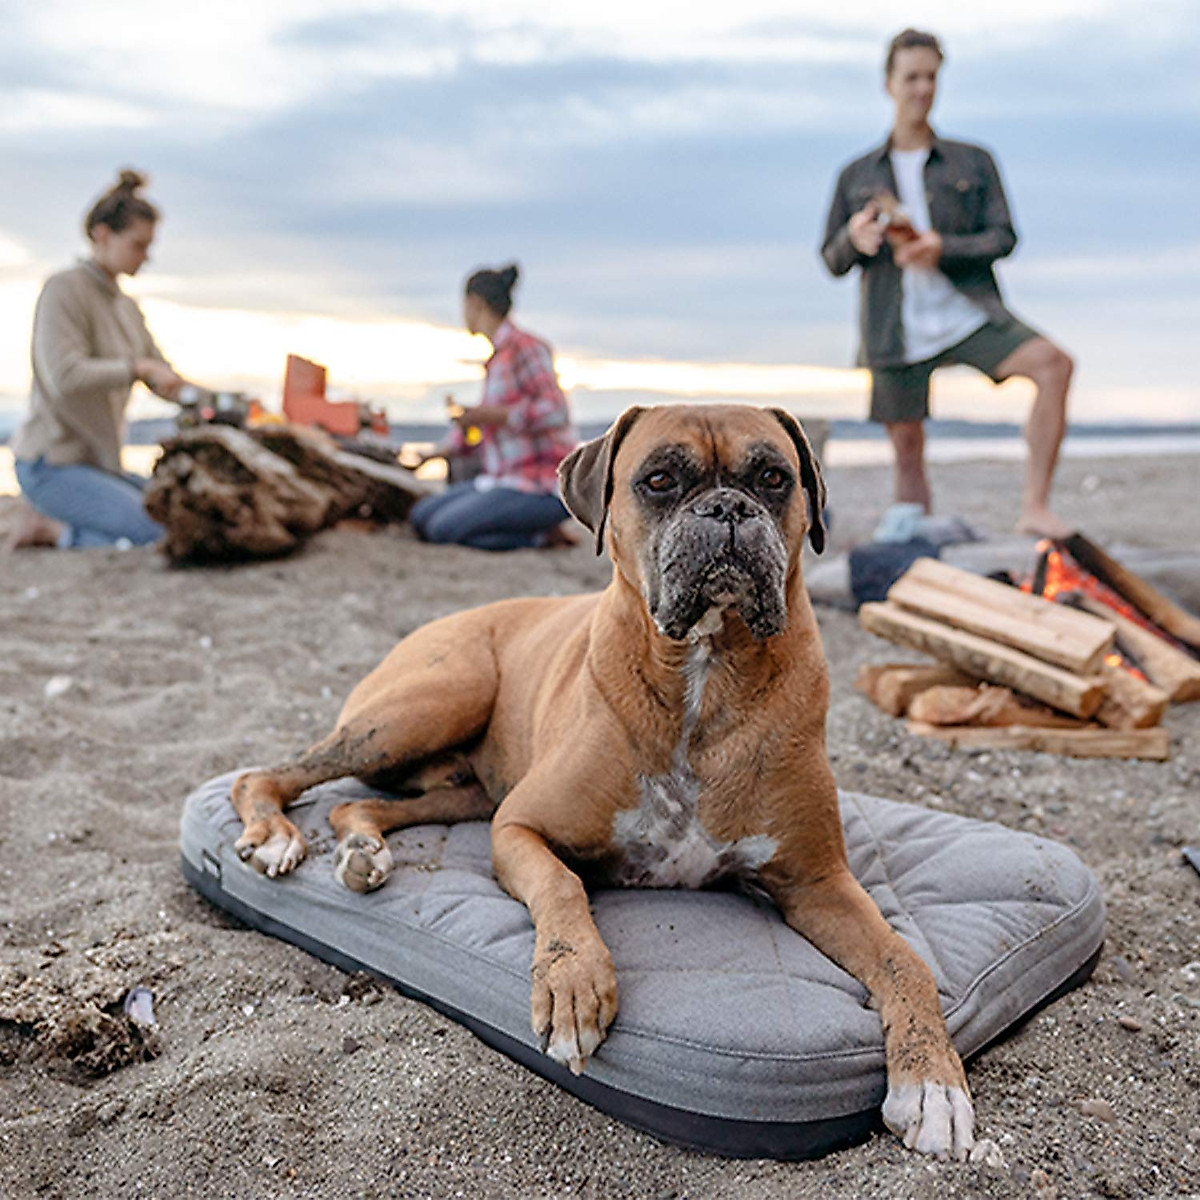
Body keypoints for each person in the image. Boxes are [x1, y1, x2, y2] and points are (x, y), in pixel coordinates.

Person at [820, 28, 1075, 537]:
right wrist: (856, 239)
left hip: (968, 311)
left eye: (931, 77)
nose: (922, 88)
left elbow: (1004, 237)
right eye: (911, 77)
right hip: (893, 328)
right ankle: (920, 542)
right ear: (889, 83)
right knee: (908, 454)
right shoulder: (856, 174)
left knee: (1055, 365)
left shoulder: (973, 160)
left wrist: (942, 247)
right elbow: (832, 259)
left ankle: (1035, 507)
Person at [9, 169, 190, 550]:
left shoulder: (126, 306)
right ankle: (52, 530)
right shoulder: (62, 289)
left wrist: (216, 402)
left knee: (187, 516)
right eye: (138, 245)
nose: (146, 256)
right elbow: (65, 375)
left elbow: (166, 379)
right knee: (159, 534)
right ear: (102, 235)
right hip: (51, 464)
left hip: (100, 467)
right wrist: (136, 368)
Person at [409, 264, 579, 551]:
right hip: (499, 479)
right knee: (420, 517)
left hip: (539, 485)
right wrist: (438, 451)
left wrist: (491, 415)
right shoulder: (496, 360)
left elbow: (555, 410)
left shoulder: (526, 347)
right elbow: (487, 434)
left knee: (442, 529)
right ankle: (534, 530)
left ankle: (539, 536)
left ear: (474, 303)